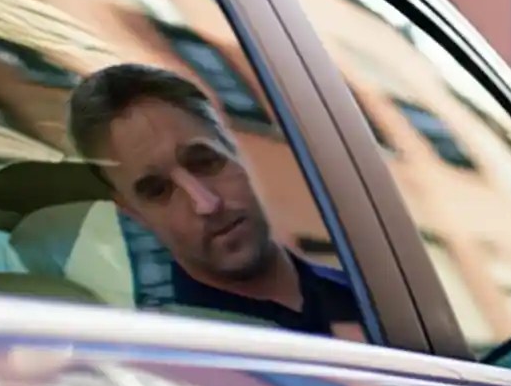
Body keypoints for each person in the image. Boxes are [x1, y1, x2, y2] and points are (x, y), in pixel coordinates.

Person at [65, 63, 360, 335]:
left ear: (232, 147)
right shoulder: (187, 365)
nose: (205, 204)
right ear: (132, 211)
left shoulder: (373, 298)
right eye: (158, 191)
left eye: (204, 161)